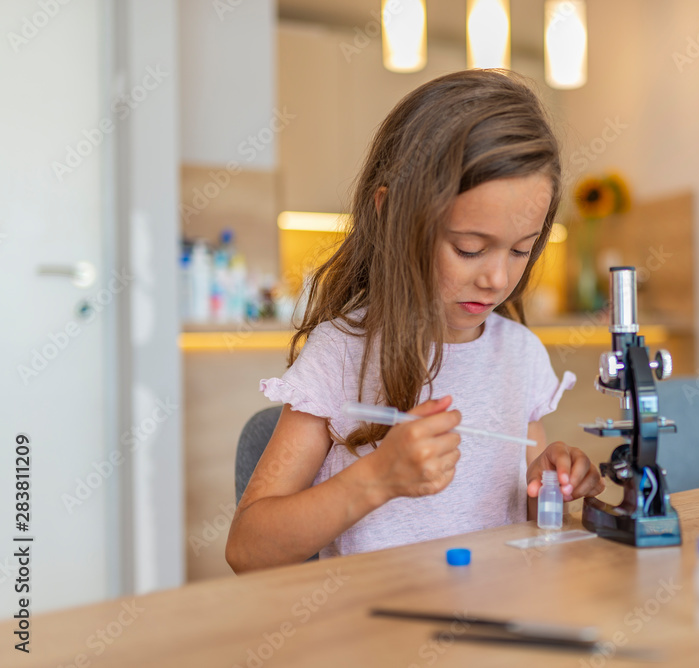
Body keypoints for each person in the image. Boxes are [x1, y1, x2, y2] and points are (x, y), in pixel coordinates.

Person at [226, 69, 604, 573]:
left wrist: (551, 483)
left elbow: (527, 515)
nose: (496, 278)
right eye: (469, 248)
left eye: (521, 250)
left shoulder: (519, 354)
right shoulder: (342, 354)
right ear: (390, 214)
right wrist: (378, 478)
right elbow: (248, 550)